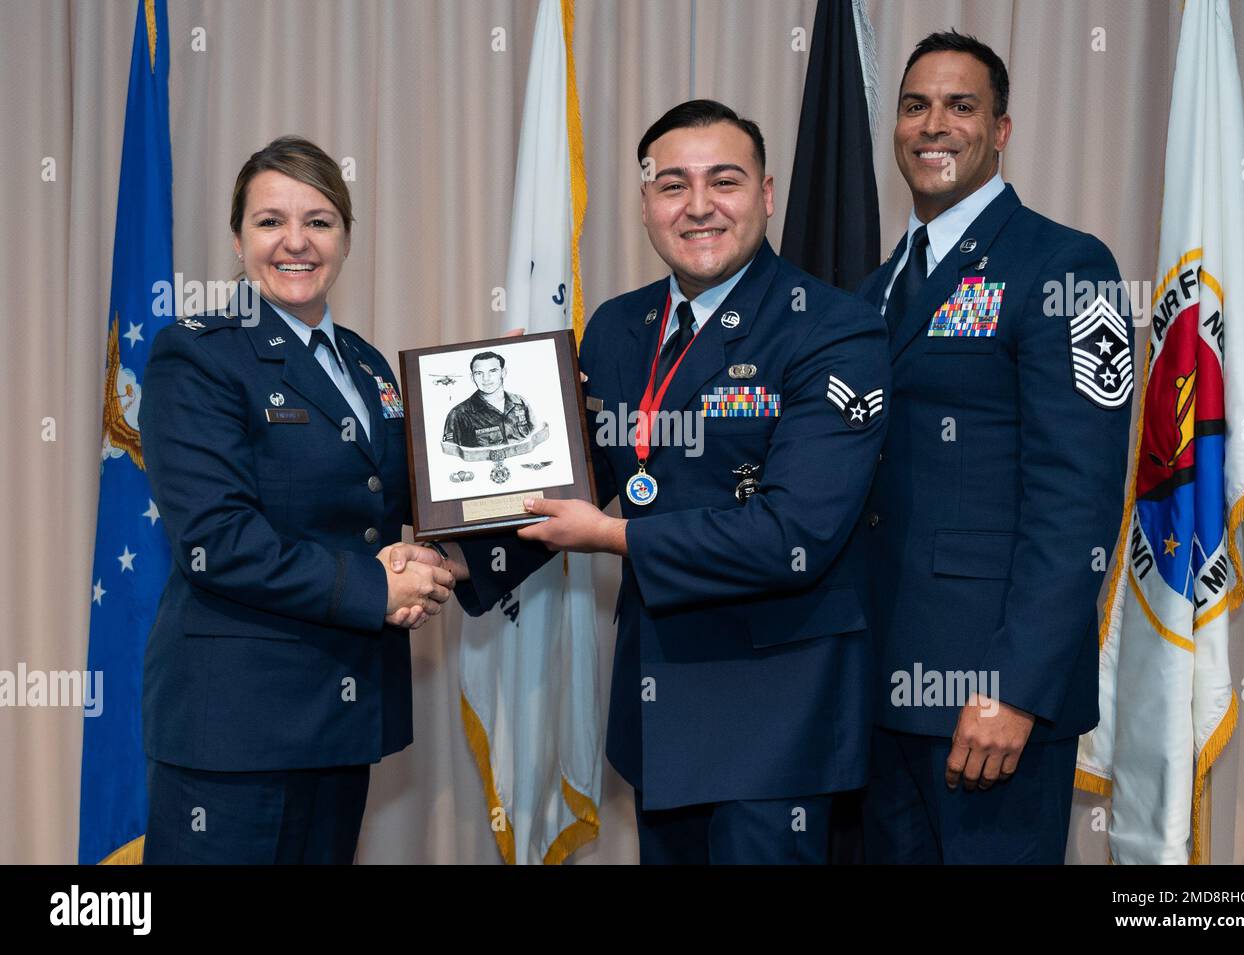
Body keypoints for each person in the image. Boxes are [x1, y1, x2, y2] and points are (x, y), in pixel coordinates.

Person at [439, 100, 890, 864]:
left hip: (776, 708)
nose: (700, 205)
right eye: (672, 184)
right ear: (645, 203)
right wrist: (500, 461)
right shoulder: (619, 325)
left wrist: (613, 537)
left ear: (768, 193)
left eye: (726, 181)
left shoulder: (831, 327)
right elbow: (577, 484)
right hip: (659, 696)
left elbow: (795, 537)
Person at [855, 32, 1133, 863]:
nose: (932, 124)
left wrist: (1014, 686)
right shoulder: (876, 288)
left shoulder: (1064, 265)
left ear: (1002, 129)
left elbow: (1077, 497)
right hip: (879, 693)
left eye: (959, 105)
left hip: (989, 700)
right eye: (915, 105)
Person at [138, 136, 455, 864]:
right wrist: (377, 584)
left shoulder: (368, 364)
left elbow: (403, 498)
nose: (295, 242)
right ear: (237, 238)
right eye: (270, 221)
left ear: (345, 237)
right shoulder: (199, 353)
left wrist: (518, 414)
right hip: (237, 723)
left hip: (342, 711)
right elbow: (216, 538)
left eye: (318, 220)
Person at [441, 350, 547, 454]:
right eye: (479, 373)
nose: (486, 378)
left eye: (492, 371)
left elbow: (535, 440)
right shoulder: (459, 414)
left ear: (503, 372)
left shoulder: (520, 403)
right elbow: (451, 455)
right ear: (472, 377)